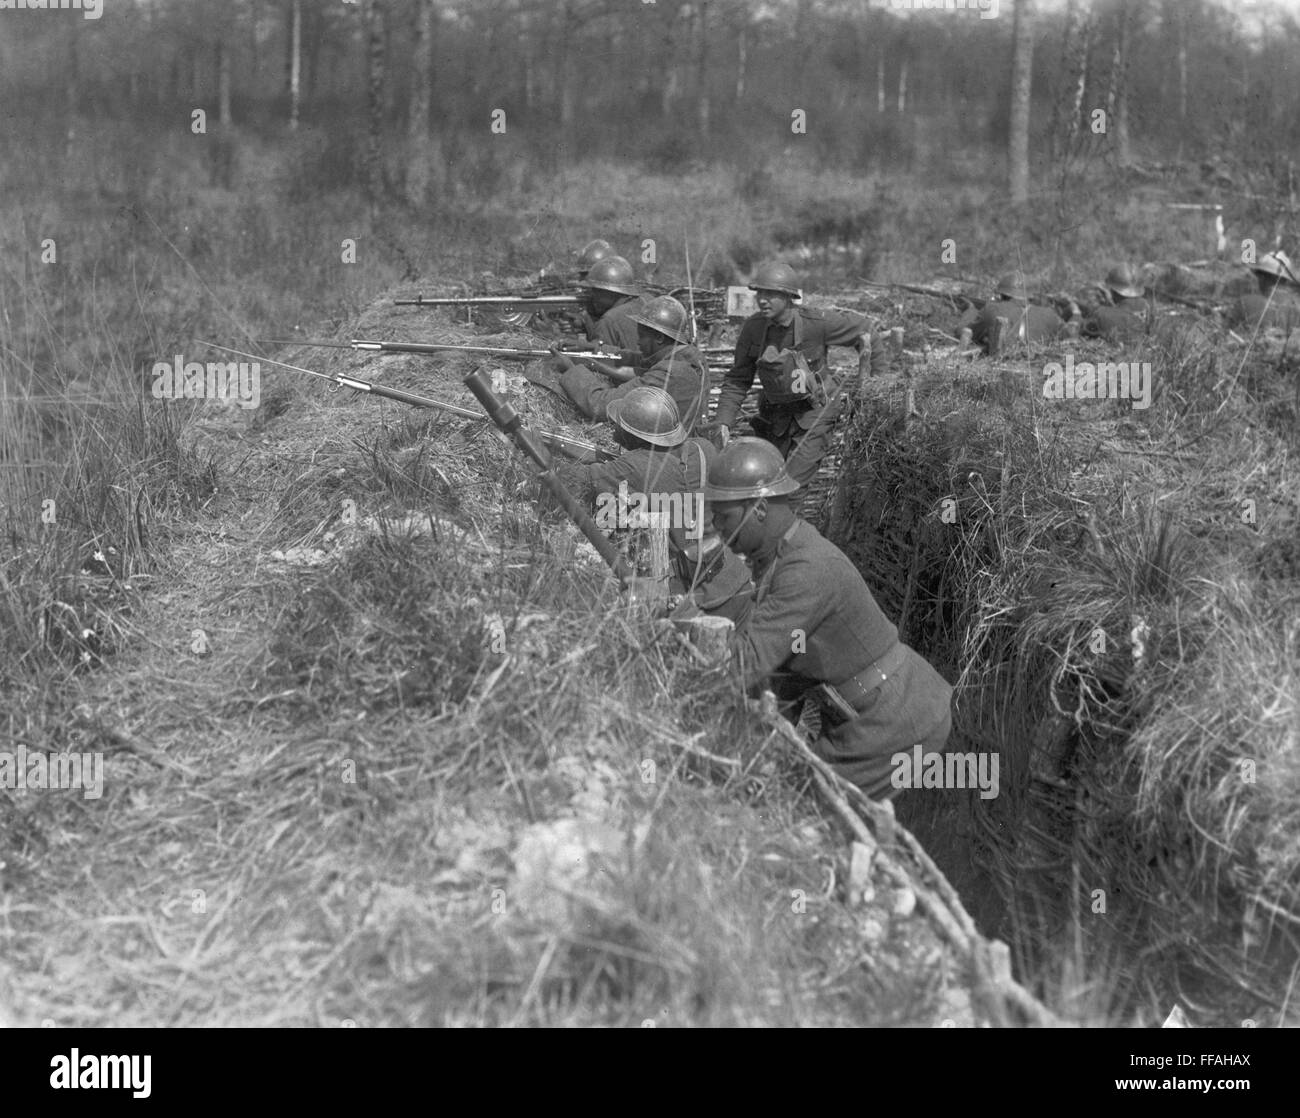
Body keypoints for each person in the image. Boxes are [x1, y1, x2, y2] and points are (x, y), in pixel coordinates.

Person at [705, 438, 953, 801]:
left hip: (894, 720)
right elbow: (781, 672)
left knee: (804, 818)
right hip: (868, 712)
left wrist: (691, 686)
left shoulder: (805, 569)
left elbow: (747, 662)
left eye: (723, 516)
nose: (716, 527)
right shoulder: (780, 557)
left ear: (758, 508)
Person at [710, 262, 870, 497]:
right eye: (760, 293)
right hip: (776, 416)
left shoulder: (817, 323)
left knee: (791, 488)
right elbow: (738, 379)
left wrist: (872, 381)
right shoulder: (753, 328)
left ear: (788, 297)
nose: (763, 300)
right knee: (762, 481)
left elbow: (866, 331)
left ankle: (784, 531)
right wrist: (723, 422)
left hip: (815, 413)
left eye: (771, 294)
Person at [556, 294, 709, 435]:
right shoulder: (687, 355)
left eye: (641, 336)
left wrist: (572, 370)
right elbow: (633, 359)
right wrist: (593, 350)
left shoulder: (669, 374)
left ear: (660, 338)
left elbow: (601, 405)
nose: (637, 342)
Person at [957, 271, 1066, 353]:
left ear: (1001, 294)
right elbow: (1068, 335)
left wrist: (970, 310)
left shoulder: (992, 309)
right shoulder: (1050, 314)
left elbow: (964, 331)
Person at [1227, 250, 1300, 334]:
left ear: (1263, 277)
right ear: (1286, 280)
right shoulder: (1297, 308)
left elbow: (1223, 336)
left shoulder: (1244, 303)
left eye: (1259, 275)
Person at [1083, 264, 1150, 342]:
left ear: (1113, 290)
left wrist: (1075, 313)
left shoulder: (1101, 313)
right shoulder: (1147, 306)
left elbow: (1080, 333)